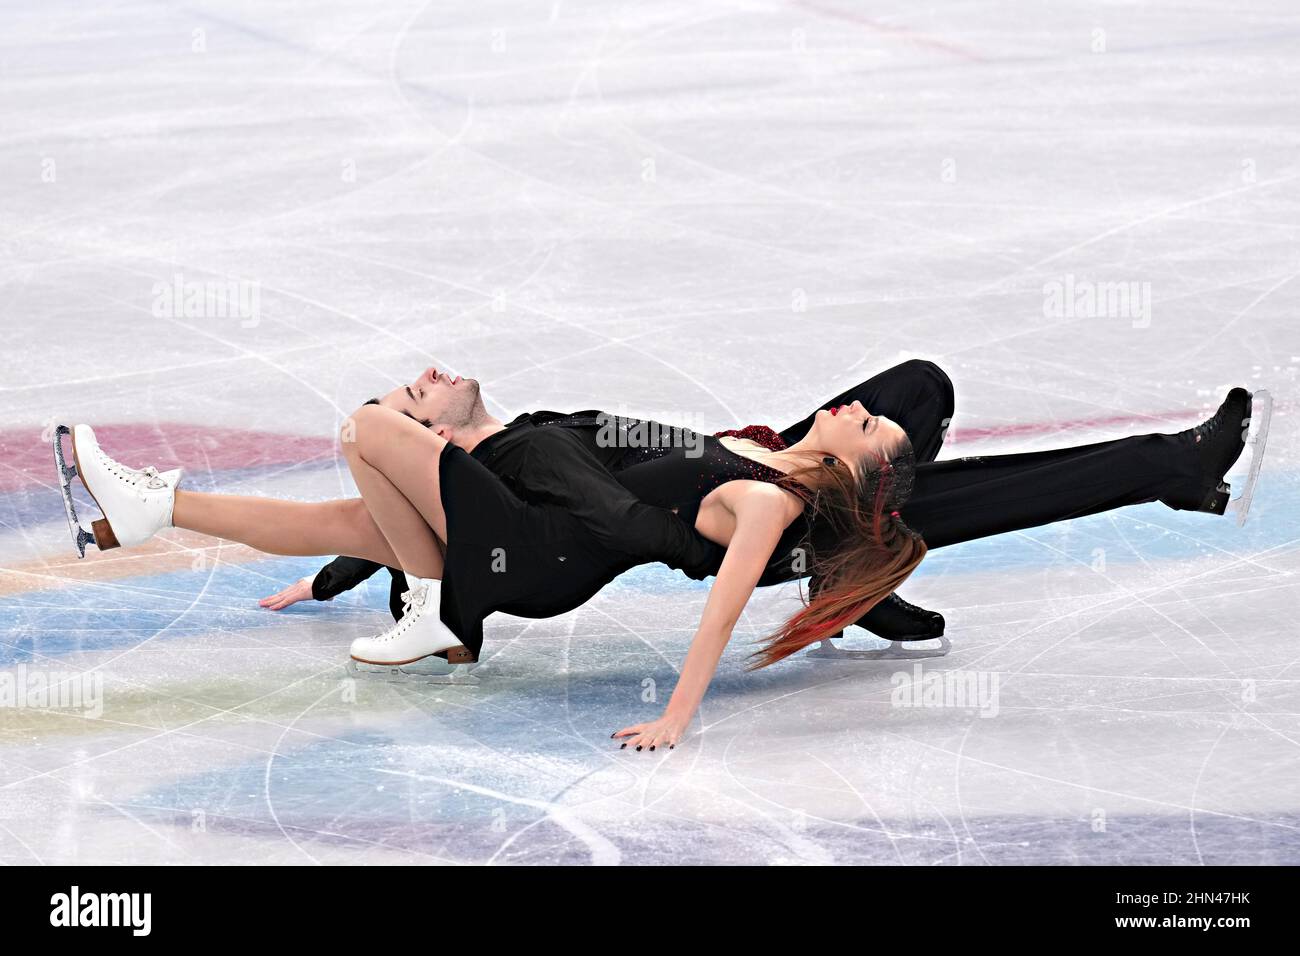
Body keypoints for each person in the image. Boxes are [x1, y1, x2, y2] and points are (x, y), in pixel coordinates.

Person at [56, 363, 1259, 752]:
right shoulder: (531, 446)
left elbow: (703, 573)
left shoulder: (749, 477)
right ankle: (151, 513)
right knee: (341, 510)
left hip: (564, 550)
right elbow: (372, 509)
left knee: (941, 444)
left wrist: (682, 711)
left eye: (851, 414)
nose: (845, 401)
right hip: (545, 549)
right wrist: (337, 578)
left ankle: (1163, 464)